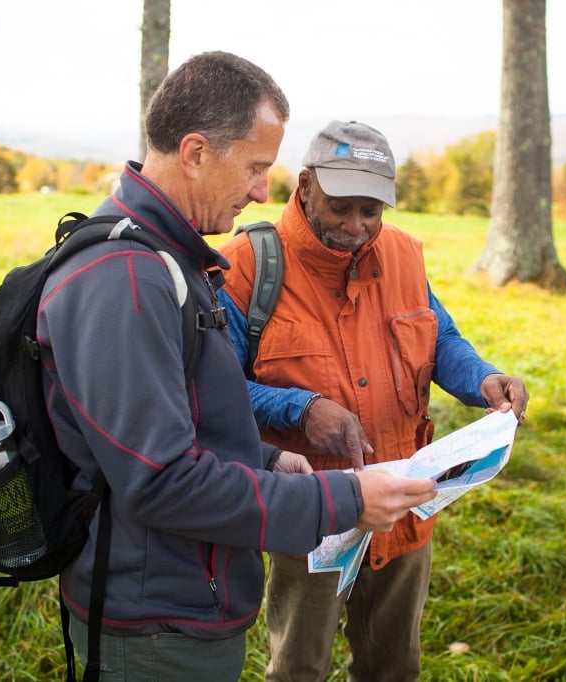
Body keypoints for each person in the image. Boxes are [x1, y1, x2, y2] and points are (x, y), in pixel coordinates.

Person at [36, 55, 436, 682]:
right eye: (255, 168)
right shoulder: (128, 279)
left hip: (190, 601)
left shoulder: (172, 261)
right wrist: (343, 496)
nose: (260, 192)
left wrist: (267, 458)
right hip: (154, 626)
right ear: (195, 152)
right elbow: (163, 481)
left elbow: (179, 419)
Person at [217, 119, 530, 682]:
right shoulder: (246, 267)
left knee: (395, 666)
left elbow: (439, 339)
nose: (357, 226)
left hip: (403, 505)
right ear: (306, 186)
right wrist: (302, 408)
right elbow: (215, 391)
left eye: (372, 210)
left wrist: (483, 379)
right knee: (298, 667)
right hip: (310, 513)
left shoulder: (406, 256)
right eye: (342, 207)